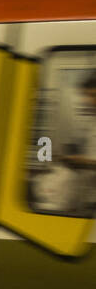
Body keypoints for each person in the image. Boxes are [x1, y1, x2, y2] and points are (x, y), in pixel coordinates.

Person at [57, 72, 96, 215]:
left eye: (93, 95)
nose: (88, 101)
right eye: (86, 96)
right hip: (86, 198)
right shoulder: (91, 121)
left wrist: (81, 161)